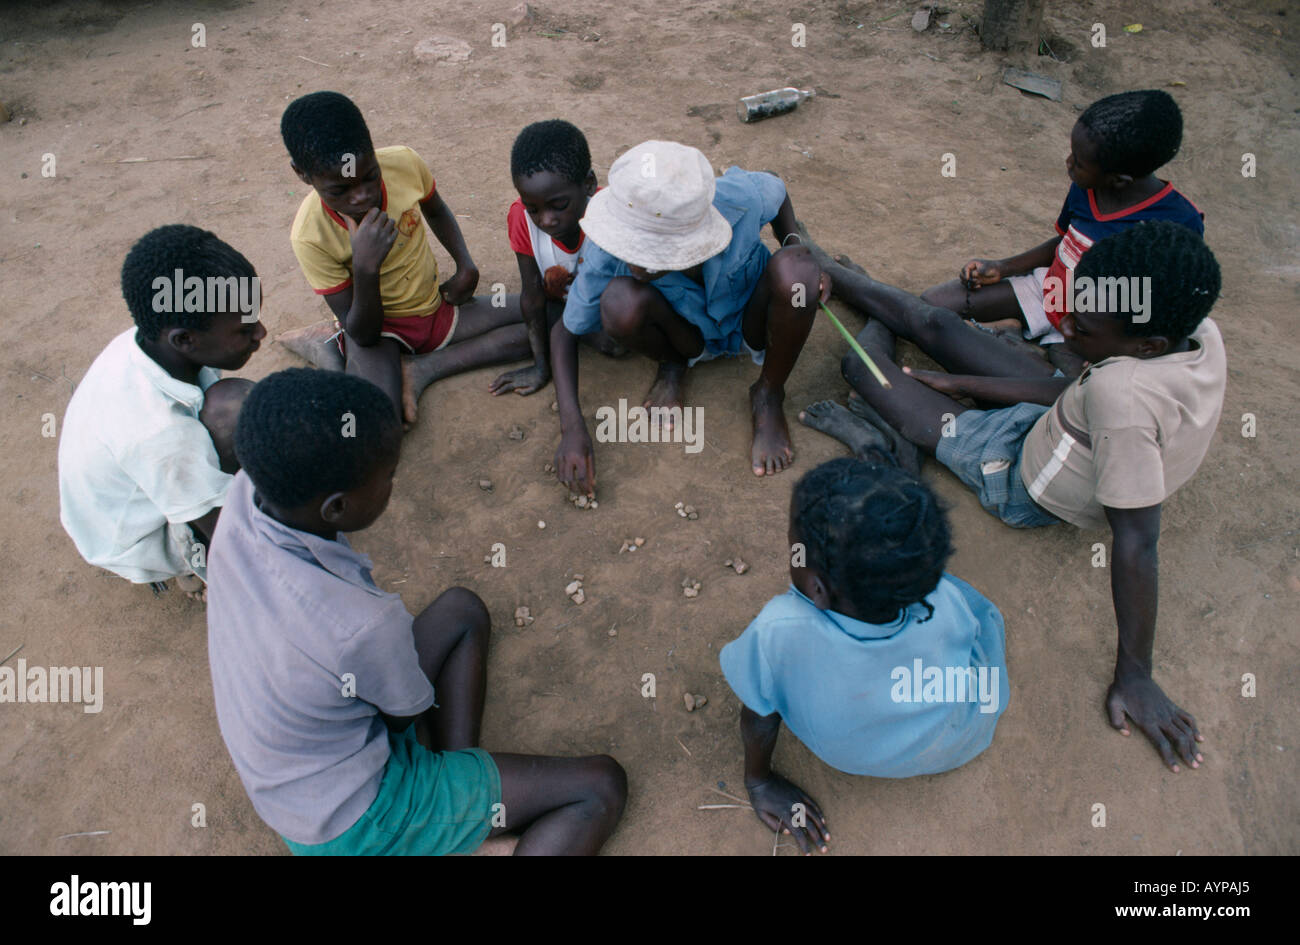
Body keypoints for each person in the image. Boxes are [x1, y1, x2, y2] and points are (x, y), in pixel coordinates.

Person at [799, 221, 1224, 773]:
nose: (1062, 325)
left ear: (1147, 346)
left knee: (863, 366)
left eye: (1082, 326)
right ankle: (843, 277)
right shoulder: (1197, 332)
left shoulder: (1123, 398)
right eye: (1070, 307)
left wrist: (1136, 674)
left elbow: (1138, 540)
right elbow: (1077, 391)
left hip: (1016, 474)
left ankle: (864, 295)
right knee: (935, 323)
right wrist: (969, 384)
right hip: (1059, 414)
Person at [206, 368, 627, 855]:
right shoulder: (360, 626)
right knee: (600, 787)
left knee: (461, 611)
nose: (393, 484)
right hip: (356, 822)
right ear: (337, 508)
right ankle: (442, 823)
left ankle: (456, 816)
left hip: (294, 784)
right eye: (387, 478)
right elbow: (403, 713)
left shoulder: (244, 497)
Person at [721, 457, 1007, 855]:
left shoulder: (779, 631)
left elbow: (759, 717)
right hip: (961, 735)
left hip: (858, 755)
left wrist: (760, 781)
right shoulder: (941, 599)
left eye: (795, 550)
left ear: (819, 590)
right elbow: (968, 637)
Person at [552, 139, 828, 487]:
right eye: (631, 248)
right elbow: (566, 330)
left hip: (750, 321)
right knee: (619, 302)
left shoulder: (738, 198)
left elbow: (777, 190)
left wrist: (794, 243)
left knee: (799, 271)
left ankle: (769, 393)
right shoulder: (604, 251)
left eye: (650, 253)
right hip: (685, 335)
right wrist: (573, 427)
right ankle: (673, 364)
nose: (636, 264)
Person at [278, 91, 530, 425]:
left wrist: (465, 263)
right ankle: (329, 345)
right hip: (379, 332)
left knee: (551, 318)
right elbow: (364, 333)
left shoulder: (404, 163)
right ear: (302, 174)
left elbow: (436, 209)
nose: (363, 196)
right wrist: (365, 267)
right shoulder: (310, 235)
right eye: (340, 191)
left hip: (436, 310)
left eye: (370, 176)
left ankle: (422, 368)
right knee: (380, 419)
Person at [920, 90, 1203, 374]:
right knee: (933, 305)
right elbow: (1069, 242)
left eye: (1078, 162)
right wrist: (1002, 267)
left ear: (1119, 180)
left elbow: (1162, 304)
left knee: (1069, 388)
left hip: (1098, 325)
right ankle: (1012, 337)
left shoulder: (1178, 224)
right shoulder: (1087, 186)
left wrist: (1106, 338)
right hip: (1051, 290)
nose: (1069, 163)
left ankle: (1016, 344)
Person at [57, 224, 264, 597]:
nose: (261, 332)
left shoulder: (149, 342)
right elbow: (225, 533)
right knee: (237, 415)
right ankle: (191, 564)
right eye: (245, 328)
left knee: (243, 412)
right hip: (138, 538)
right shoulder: (161, 434)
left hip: (142, 489)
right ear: (185, 339)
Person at [489, 118, 623, 397]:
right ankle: (426, 366)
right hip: (557, 306)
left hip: (599, 312)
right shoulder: (521, 218)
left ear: (588, 184)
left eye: (559, 205)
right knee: (516, 318)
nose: (546, 220)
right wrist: (540, 366)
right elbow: (531, 293)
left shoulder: (611, 215)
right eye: (533, 209)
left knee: (614, 343)